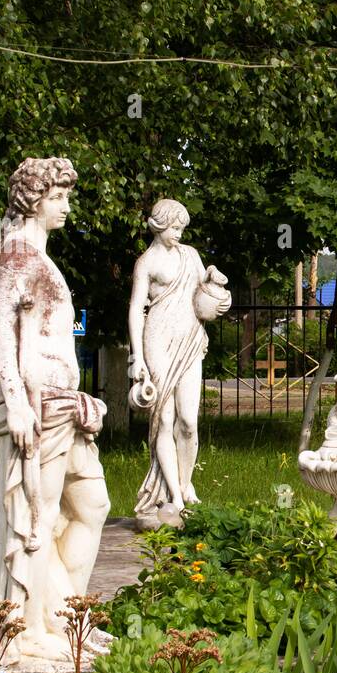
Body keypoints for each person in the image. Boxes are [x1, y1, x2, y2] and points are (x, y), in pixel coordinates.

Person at [0, 157, 111, 670]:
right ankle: (35, 631)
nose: (66, 206)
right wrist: (14, 403)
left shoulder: (38, 257)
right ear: (34, 200)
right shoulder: (18, 258)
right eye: (58, 197)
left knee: (92, 505)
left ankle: (66, 619)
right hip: (36, 408)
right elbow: (1, 336)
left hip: (63, 407)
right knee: (38, 520)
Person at [127, 199, 229, 528]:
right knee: (163, 419)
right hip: (158, 342)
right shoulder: (147, 262)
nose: (178, 234)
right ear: (158, 225)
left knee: (187, 421)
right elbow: (135, 310)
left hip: (189, 340)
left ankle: (186, 483)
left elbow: (204, 288)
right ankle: (175, 495)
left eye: (182, 229)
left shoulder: (190, 256)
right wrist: (138, 358)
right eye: (173, 228)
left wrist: (216, 284)